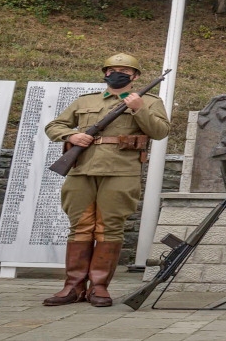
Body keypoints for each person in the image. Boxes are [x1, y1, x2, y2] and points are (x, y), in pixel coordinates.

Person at [42, 53, 170, 307]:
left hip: (120, 171)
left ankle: (99, 287)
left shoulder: (148, 101)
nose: (116, 74)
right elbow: (54, 126)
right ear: (105, 73)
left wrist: (138, 109)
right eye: (112, 70)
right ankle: (73, 287)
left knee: (110, 227)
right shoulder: (84, 101)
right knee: (79, 226)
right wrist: (72, 136)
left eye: (124, 70)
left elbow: (159, 131)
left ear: (135, 77)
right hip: (81, 170)